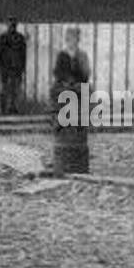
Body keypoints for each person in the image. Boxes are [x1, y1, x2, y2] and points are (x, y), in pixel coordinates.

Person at [50, 26, 92, 175]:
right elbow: (58, 72)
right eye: (70, 38)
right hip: (65, 89)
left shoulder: (82, 55)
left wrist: (77, 81)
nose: (72, 41)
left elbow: (86, 73)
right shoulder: (62, 55)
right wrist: (67, 81)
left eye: (75, 38)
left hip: (78, 89)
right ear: (67, 40)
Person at [0, 19, 28, 115]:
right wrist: (0, 66)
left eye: (13, 24)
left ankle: (13, 107)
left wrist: (22, 67)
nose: (12, 26)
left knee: (15, 88)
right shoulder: (3, 38)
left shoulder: (20, 38)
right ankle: (4, 108)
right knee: (5, 88)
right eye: (10, 24)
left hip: (16, 67)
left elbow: (23, 53)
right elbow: (0, 53)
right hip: (6, 67)